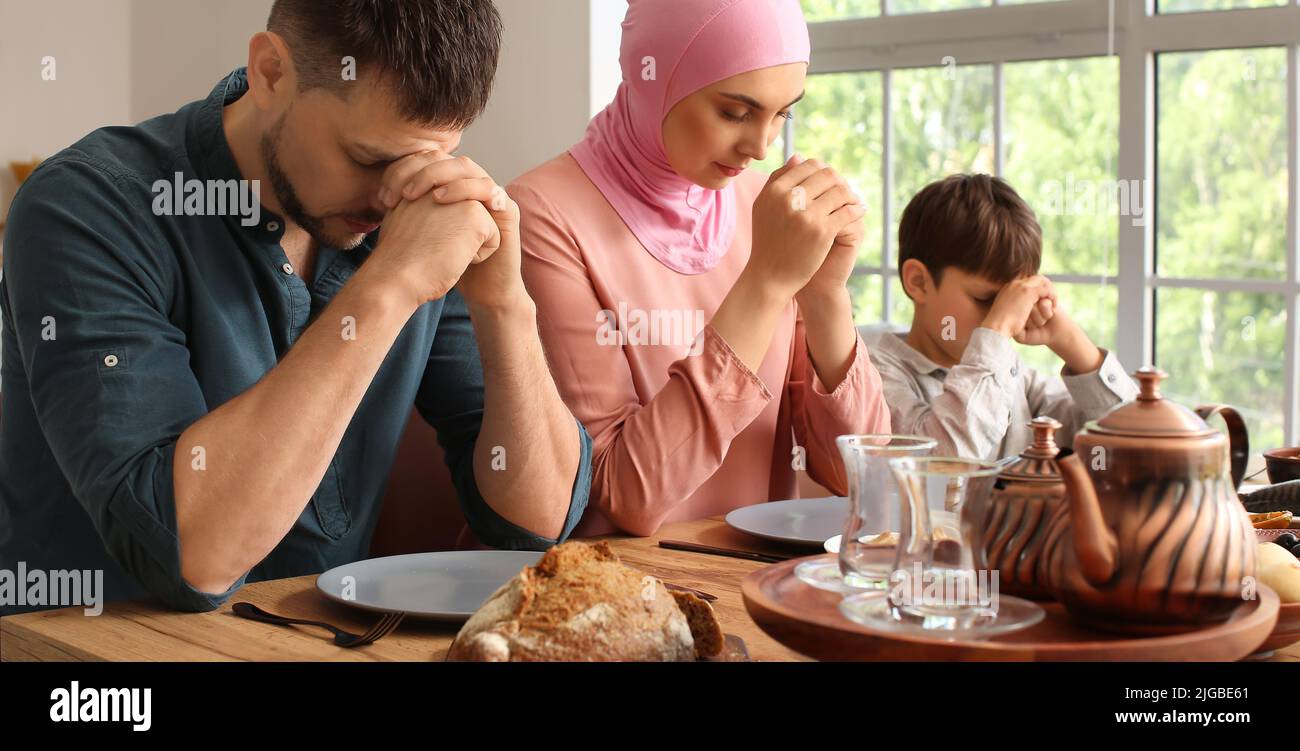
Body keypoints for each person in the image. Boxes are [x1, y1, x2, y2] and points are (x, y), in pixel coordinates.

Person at [0, 0, 592, 616]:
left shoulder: (418, 214)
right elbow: (190, 560)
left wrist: (503, 304)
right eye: (367, 159)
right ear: (270, 72)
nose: (393, 196)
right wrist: (387, 287)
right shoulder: (86, 207)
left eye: (423, 161)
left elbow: (534, 525)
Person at [508, 0, 890, 538]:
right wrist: (764, 285)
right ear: (653, 77)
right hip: (618, 597)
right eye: (736, 112)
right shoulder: (543, 214)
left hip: (751, 595)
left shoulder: (770, 209)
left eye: (784, 114)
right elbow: (625, 495)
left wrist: (825, 295)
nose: (761, 147)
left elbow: (864, 481)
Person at [870, 173, 1139, 461]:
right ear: (919, 282)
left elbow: (1128, 444)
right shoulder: (876, 378)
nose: (1004, 316)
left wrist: (1071, 341)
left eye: (1011, 301)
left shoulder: (1013, 378)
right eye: (986, 300)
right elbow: (944, 462)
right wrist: (995, 331)